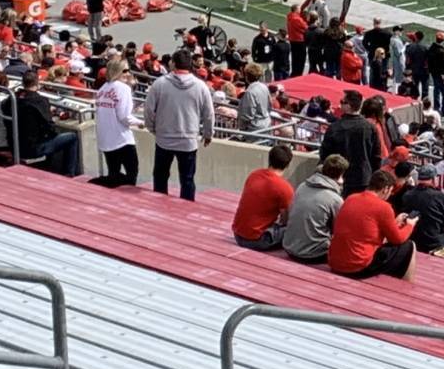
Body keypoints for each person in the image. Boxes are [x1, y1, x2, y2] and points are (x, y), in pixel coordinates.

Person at [140, 49, 216, 200]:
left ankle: (159, 206)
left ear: (173, 64)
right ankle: (186, 210)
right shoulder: (201, 87)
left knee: (160, 177)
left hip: (164, 140)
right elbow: (209, 114)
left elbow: (148, 110)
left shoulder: (160, 84)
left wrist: (152, 128)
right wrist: (208, 134)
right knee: (187, 180)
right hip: (187, 141)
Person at [330, 169, 415, 279]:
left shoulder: (351, 198)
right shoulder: (384, 207)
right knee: (409, 246)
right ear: (385, 189)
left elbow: (365, 228)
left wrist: (394, 222)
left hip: (335, 262)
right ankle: (407, 285)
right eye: (390, 191)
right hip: (357, 266)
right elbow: (397, 239)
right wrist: (410, 225)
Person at [280, 155, 349, 263]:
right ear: (340, 176)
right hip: (313, 254)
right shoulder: (335, 200)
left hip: (289, 247)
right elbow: (339, 231)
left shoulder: (302, 186)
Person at [230, 143, 296, 250]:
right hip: (258, 239)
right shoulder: (284, 188)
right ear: (287, 165)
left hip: (238, 234)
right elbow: (286, 220)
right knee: (295, 229)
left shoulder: (254, 175)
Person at [91, 57, 138, 186]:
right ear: (118, 71)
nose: (128, 73)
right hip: (121, 139)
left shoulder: (102, 89)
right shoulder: (123, 89)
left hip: (106, 139)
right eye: (125, 70)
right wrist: (140, 122)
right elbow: (124, 117)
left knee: (114, 175)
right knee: (132, 174)